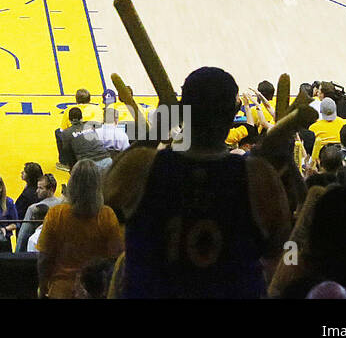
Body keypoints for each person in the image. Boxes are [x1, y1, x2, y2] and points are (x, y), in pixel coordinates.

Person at [117, 67, 291, 298]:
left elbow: (107, 195)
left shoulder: (141, 166)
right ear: (233, 112)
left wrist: (158, 129)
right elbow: (278, 248)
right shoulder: (258, 175)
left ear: (182, 111)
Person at [35, 159, 124, 297]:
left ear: (71, 184)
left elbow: (44, 258)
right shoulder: (107, 215)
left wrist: (42, 285)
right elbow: (115, 258)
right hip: (94, 292)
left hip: (60, 290)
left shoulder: (56, 214)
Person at [17, 173, 60, 252]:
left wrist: (17, 254)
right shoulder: (63, 205)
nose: (37, 191)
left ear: (51, 190)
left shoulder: (33, 209)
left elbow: (23, 236)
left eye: (40, 188)